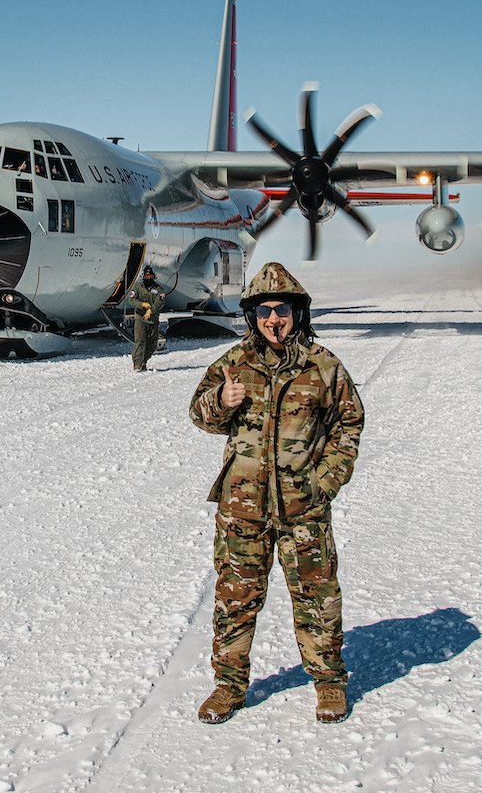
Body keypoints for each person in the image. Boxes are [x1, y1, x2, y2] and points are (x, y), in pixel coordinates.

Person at [187, 261, 365, 724]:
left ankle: (329, 683)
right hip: (242, 508)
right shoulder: (233, 364)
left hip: (303, 509)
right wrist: (218, 403)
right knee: (235, 598)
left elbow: (349, 424)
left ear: (297, 312)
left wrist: (324, 481)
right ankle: (228, 687)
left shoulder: (323, 366)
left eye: (282, 309)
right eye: (264, 310)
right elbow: (198, 413)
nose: (273, 319)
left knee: (317, 597)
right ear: (252, 315)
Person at [128, 264, 163, 371]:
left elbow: (159, 302)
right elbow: (132, 300)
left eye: (150, 277)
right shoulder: (137, 287)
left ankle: (143, 360)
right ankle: (137, 364)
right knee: (140, 341)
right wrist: (141, 305)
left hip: (153, 319)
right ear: (143, 277)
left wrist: (150, 311)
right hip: (140, 318)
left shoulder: (158, 289)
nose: (148, 279)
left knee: (153, 343)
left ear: (153, 277)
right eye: (146, 277)